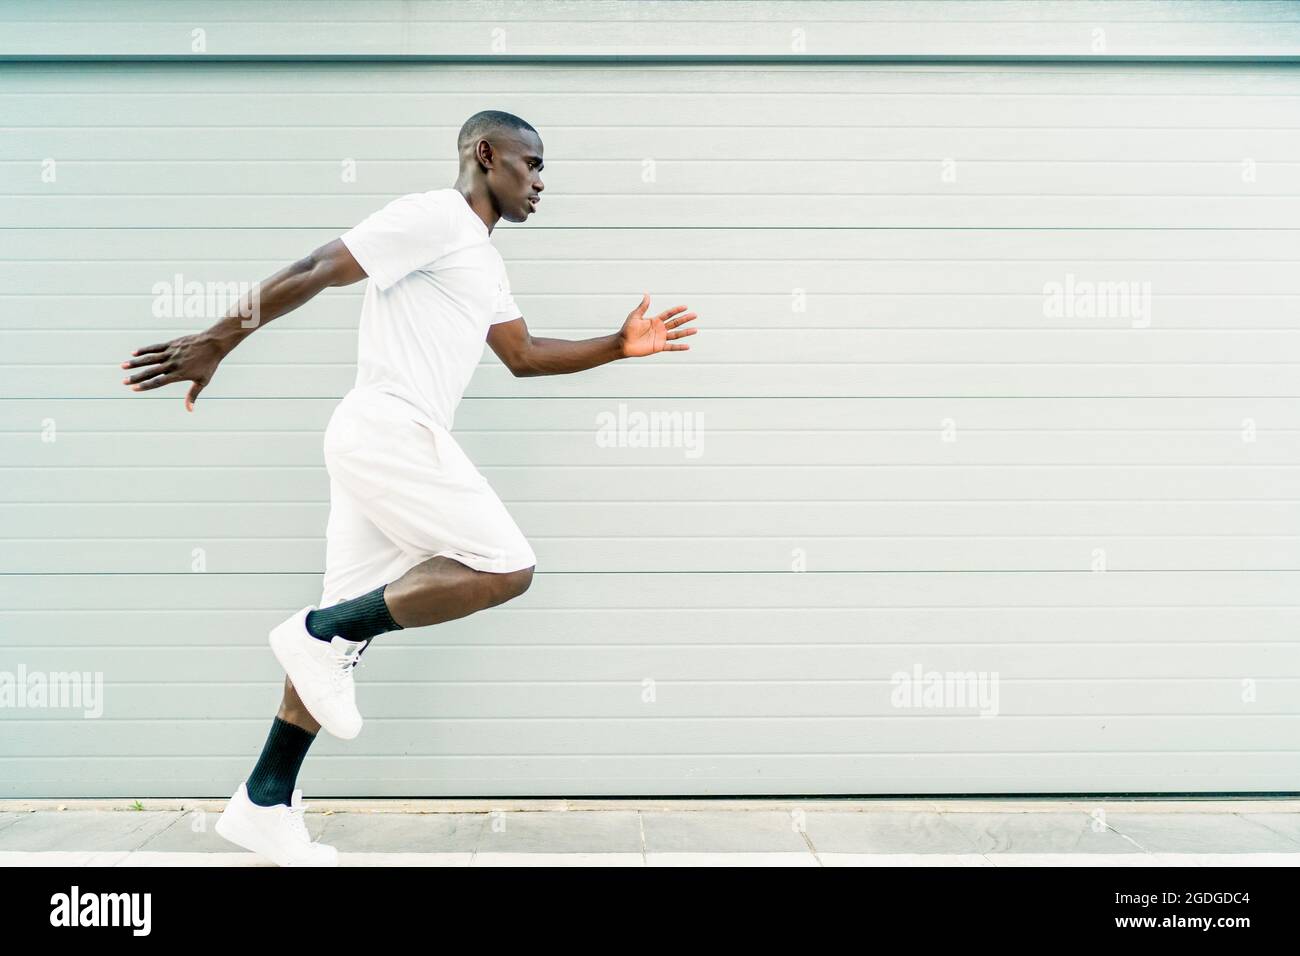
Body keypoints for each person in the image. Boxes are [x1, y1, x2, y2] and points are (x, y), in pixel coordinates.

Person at [118, 110, 698, 865]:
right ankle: (319, 629)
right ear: (486, 155)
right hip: (389, 429)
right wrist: (215, 341)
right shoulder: (435, 216)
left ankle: (265, 798)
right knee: (504, 566)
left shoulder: (482, 261)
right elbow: (314, 269)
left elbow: (522, 355)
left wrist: (618, 347)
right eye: (532, 163)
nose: (541, 181)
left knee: (335, 656)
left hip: (380, 445)